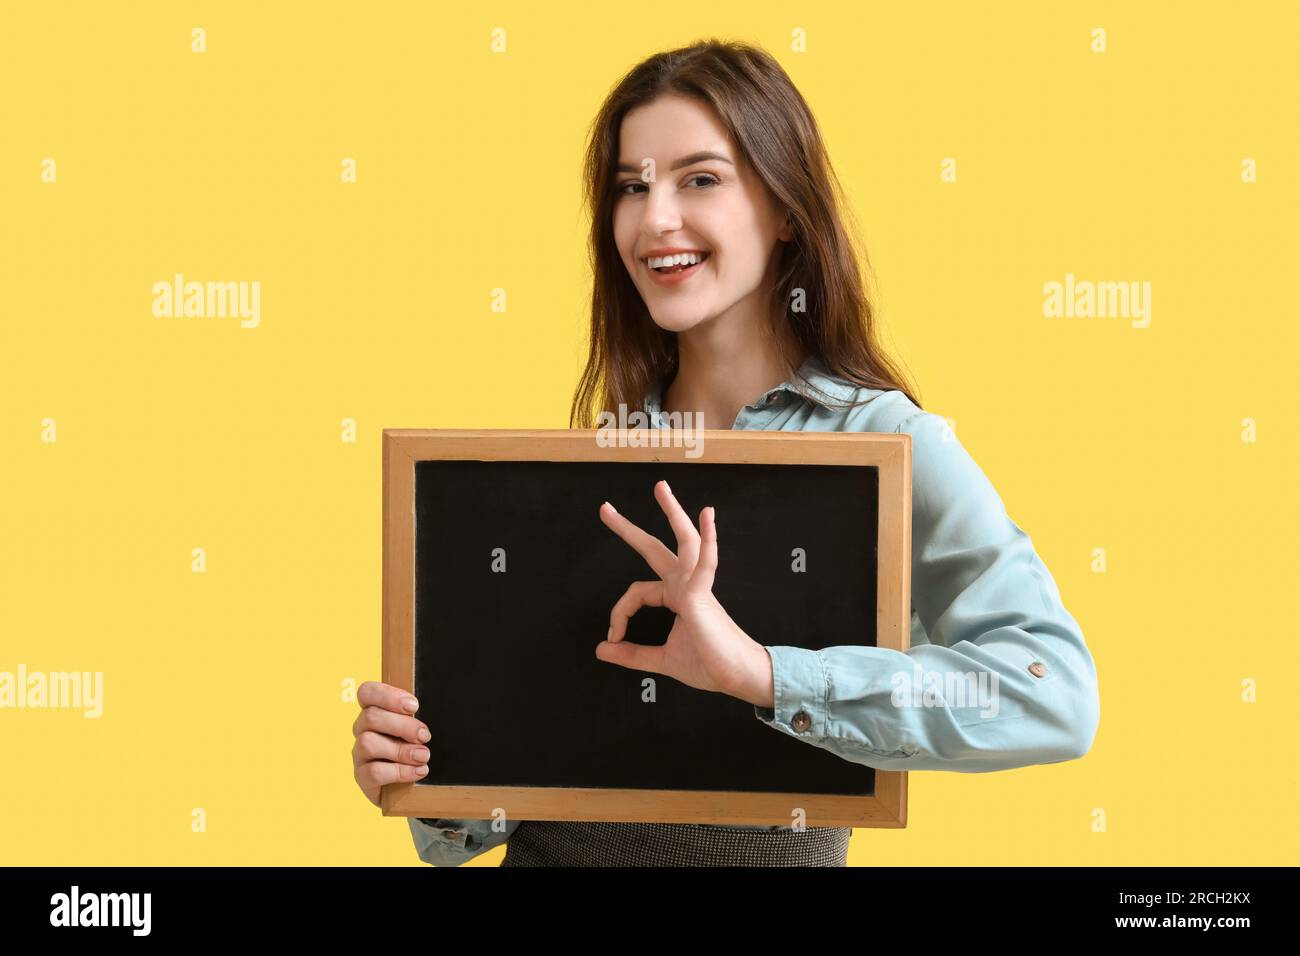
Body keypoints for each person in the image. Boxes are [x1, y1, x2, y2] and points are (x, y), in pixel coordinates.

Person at [352, 38, 1100, 867]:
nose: (655, 217)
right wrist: (421, 767)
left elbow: (1054, 695)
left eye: (699, 178)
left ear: (785, 207)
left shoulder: (887, 447)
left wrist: (767, 675)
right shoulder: (594, 460)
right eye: (631, 187)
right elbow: (481, 816)